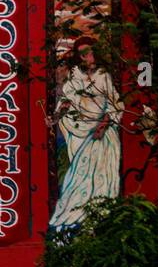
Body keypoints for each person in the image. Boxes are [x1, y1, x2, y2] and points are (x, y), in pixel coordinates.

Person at [49, 37, 121, 231]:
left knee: (102, 177)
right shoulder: (75, 76)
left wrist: (102, 126)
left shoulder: (103, 75)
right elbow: (66, 101)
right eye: (81, 53)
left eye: (88, 51)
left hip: (102, 134)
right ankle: (78, 219)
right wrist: (56, 117)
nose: (86, 56)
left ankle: (101, 219)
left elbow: (114, 103)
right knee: (79, 176)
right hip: (79, 131)